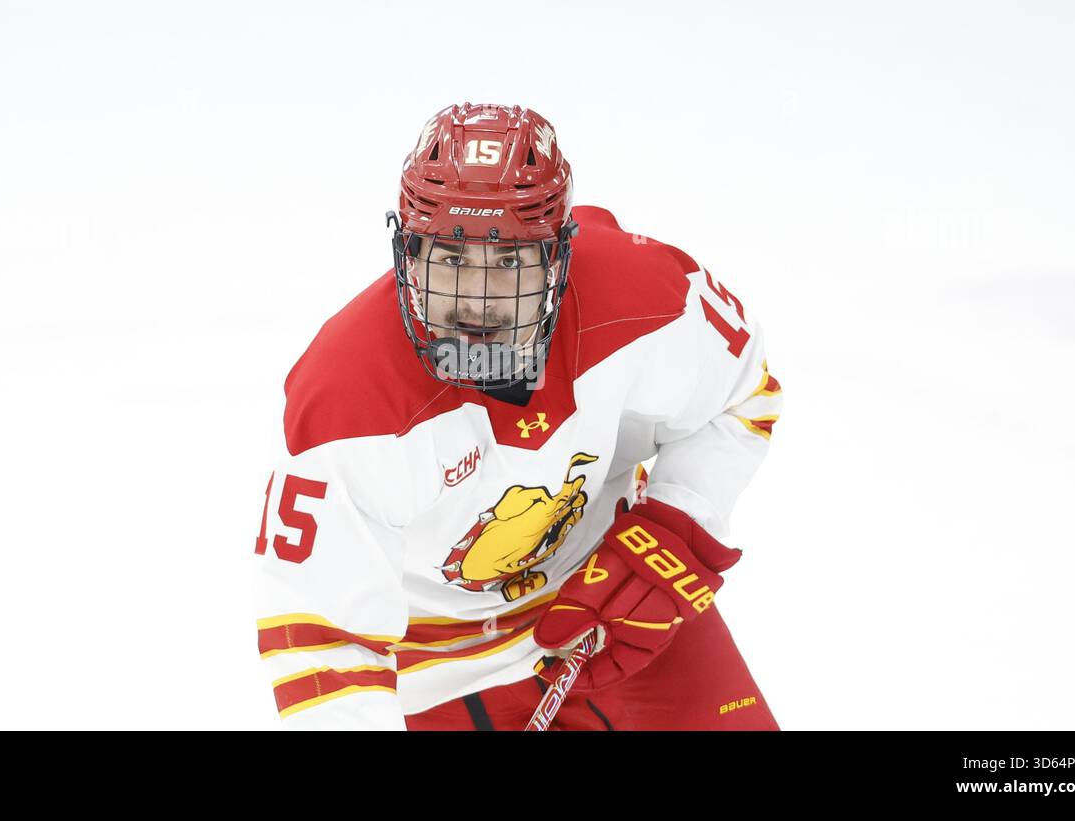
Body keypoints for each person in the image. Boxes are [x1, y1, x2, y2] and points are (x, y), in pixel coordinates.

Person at [253, 102, 784, 730]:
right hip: (442, 666)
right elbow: (323, 638)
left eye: (508, 263)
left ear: (557, 259)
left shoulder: (642, 295)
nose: (477, 300)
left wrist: (676, 520)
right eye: (451, 259)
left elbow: (741, 395)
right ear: (408, 255)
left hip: (618, 605)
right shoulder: (347, 395)